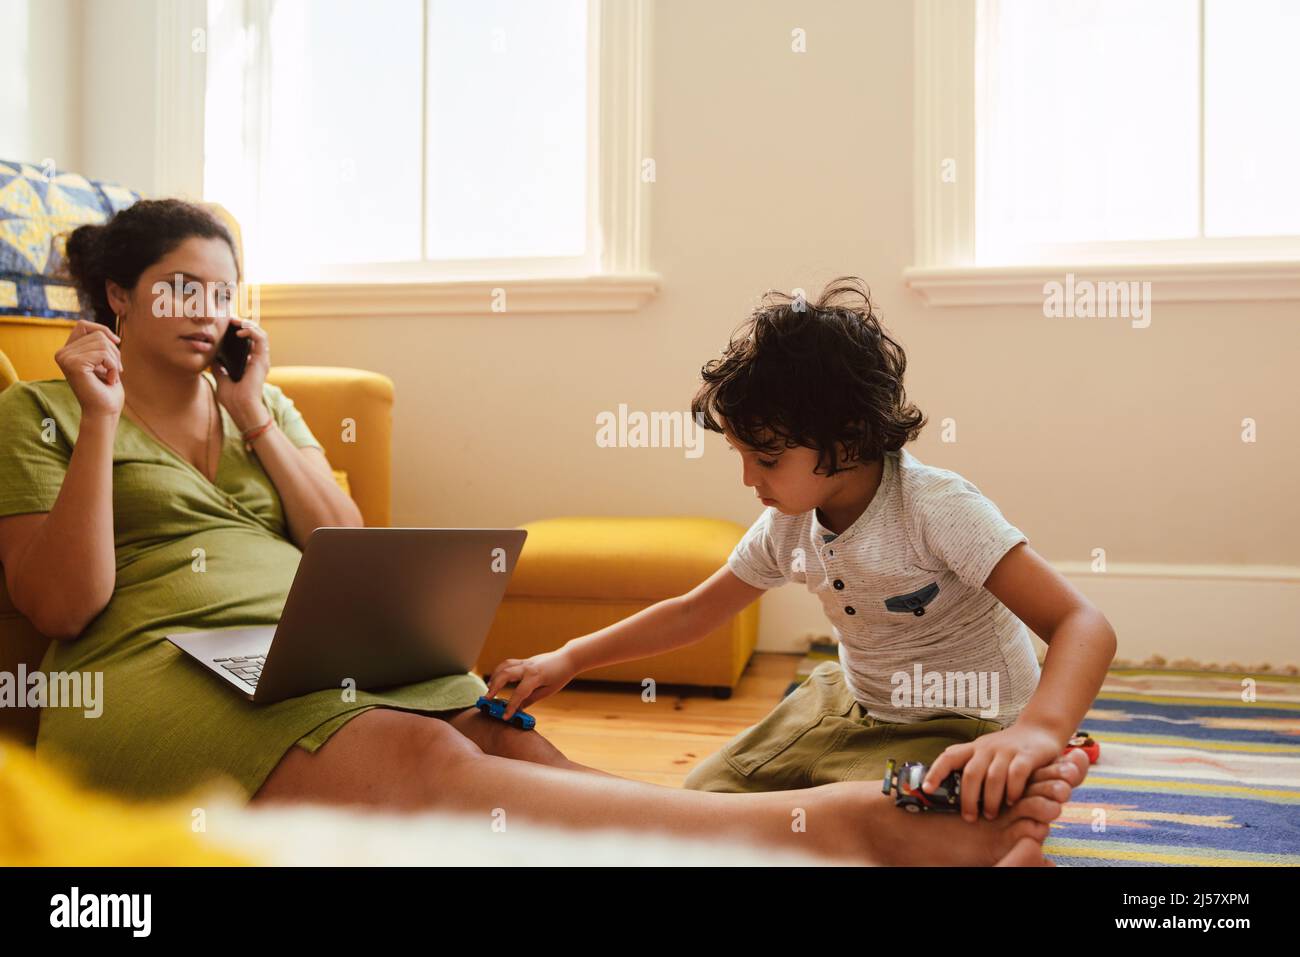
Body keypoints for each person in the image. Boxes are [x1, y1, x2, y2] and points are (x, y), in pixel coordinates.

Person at [0, 207, 1084, 865]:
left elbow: (337, 539)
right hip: (151, 664)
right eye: (181, 286)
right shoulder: (40, 414)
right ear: (115, 294)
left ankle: (766, 849)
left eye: (224, 291)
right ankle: (855, 834)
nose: (207, 309)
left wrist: (254, 416)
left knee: (505, 739)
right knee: (422, 755)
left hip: (301, 638)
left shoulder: (263, 406)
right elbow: (61, 606)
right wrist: (98, 419)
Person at [487, 277, 1117, 823]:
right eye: (742, 457)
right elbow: (693, 612)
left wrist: (1037, 732)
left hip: (968, 722)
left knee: (878, 821)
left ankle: (1017, 789)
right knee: (706, 804)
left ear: (846, 438)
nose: (748, 480)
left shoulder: (936, 506)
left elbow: (1082, 624)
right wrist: (567, 658)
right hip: (852, 703)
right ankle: (968, 817)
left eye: (765, 459)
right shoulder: (789, 519)